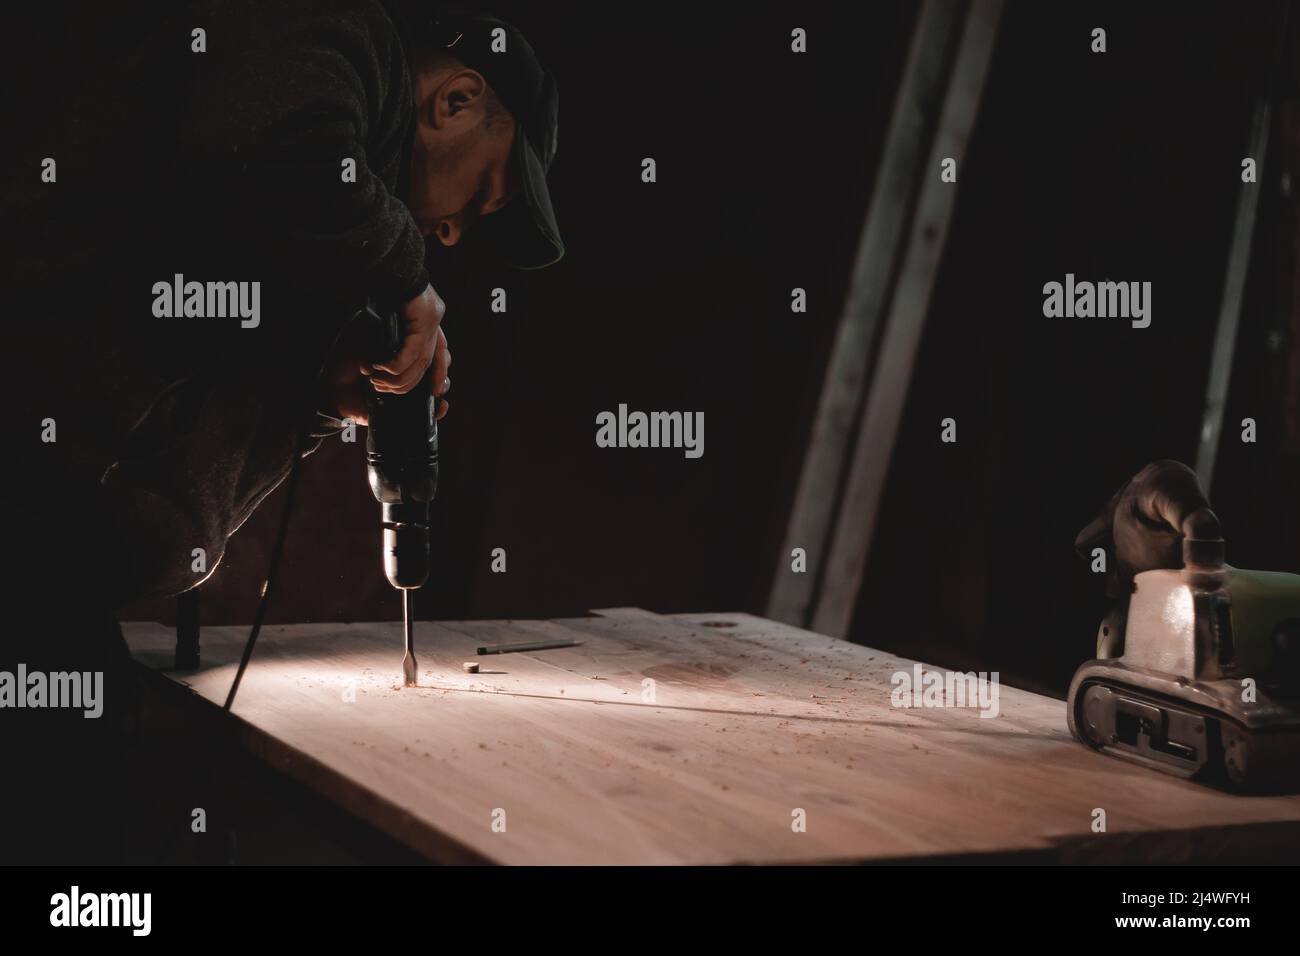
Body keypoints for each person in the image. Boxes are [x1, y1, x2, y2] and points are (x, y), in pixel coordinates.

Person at [1, 0, 562, 861]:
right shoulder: (336, 34)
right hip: (25, 495)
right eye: (481, 197)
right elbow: (269, 142)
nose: (450, 232)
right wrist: (412, 282)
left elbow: (200, 398)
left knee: (79, 765)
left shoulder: (320, 233)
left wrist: (322, 401)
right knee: (66, 780)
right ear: (455, 101)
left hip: (54, 544)